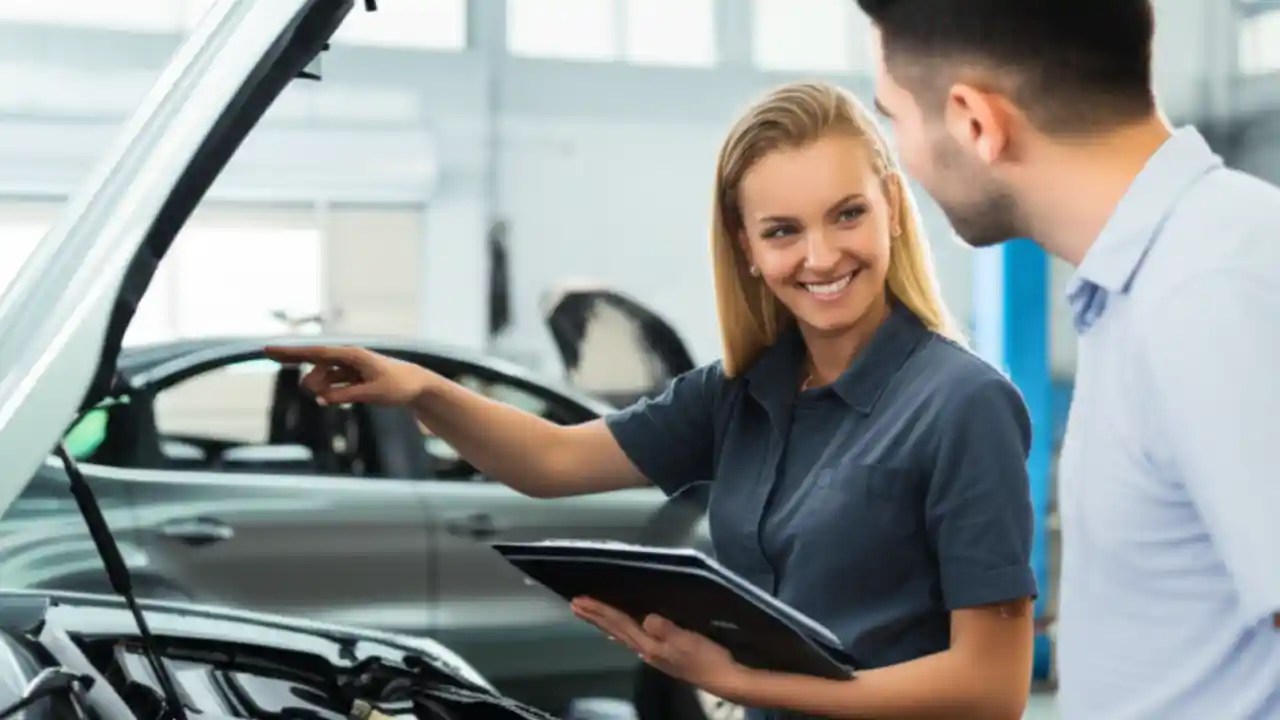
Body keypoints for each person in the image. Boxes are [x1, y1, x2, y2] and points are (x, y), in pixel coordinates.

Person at [266, 81, 1038, 720]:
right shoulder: (740, 394)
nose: (820, 256)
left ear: (893, 208)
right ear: (745, 246)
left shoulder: (963, 404)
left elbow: (991, 690)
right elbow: (551, 459)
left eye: (848, 214)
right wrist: (421, 390)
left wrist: (737, 681)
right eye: (781, 231)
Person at [856, 1, 1280, 718]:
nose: (902, 161)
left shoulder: (1210, 288)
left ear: (974, 122)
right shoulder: (1154, 282)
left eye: (894, 119)